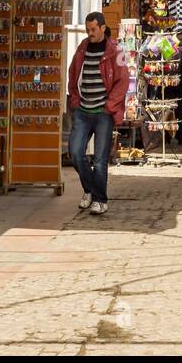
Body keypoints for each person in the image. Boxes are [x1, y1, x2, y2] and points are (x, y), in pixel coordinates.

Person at [66, 11, 129, 216]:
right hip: (82, 110)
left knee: (100, 159)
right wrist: (75, 99)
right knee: (75, 153)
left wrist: (110, 106)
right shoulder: (82, 47)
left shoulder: (116, 50)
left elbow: (123, 81)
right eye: (87, 29)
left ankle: (100, 200)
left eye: (93, 29)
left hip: (103, 112)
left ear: (102, 28)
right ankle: (89, 189)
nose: (90, 33)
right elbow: (73, 73)